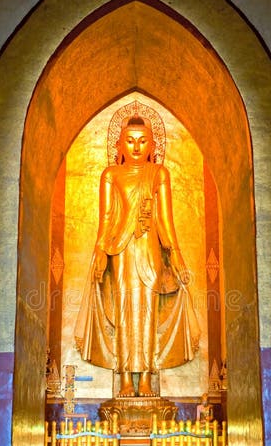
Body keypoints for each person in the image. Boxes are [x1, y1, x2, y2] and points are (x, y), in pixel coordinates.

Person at [74, 113, 199, 397]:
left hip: (150, 248)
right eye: (129, 141)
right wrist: (101, 252)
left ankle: (145, 378)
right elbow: (105, 218)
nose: (136, 147)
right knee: (124, 311)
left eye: (143, 142)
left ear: (152, 146)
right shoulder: (111, 174)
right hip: (120, 249)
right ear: (119, 145)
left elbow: (166, 220)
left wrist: (176, 255)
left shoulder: (159, 173)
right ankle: (125, 380)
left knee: (146, 313)